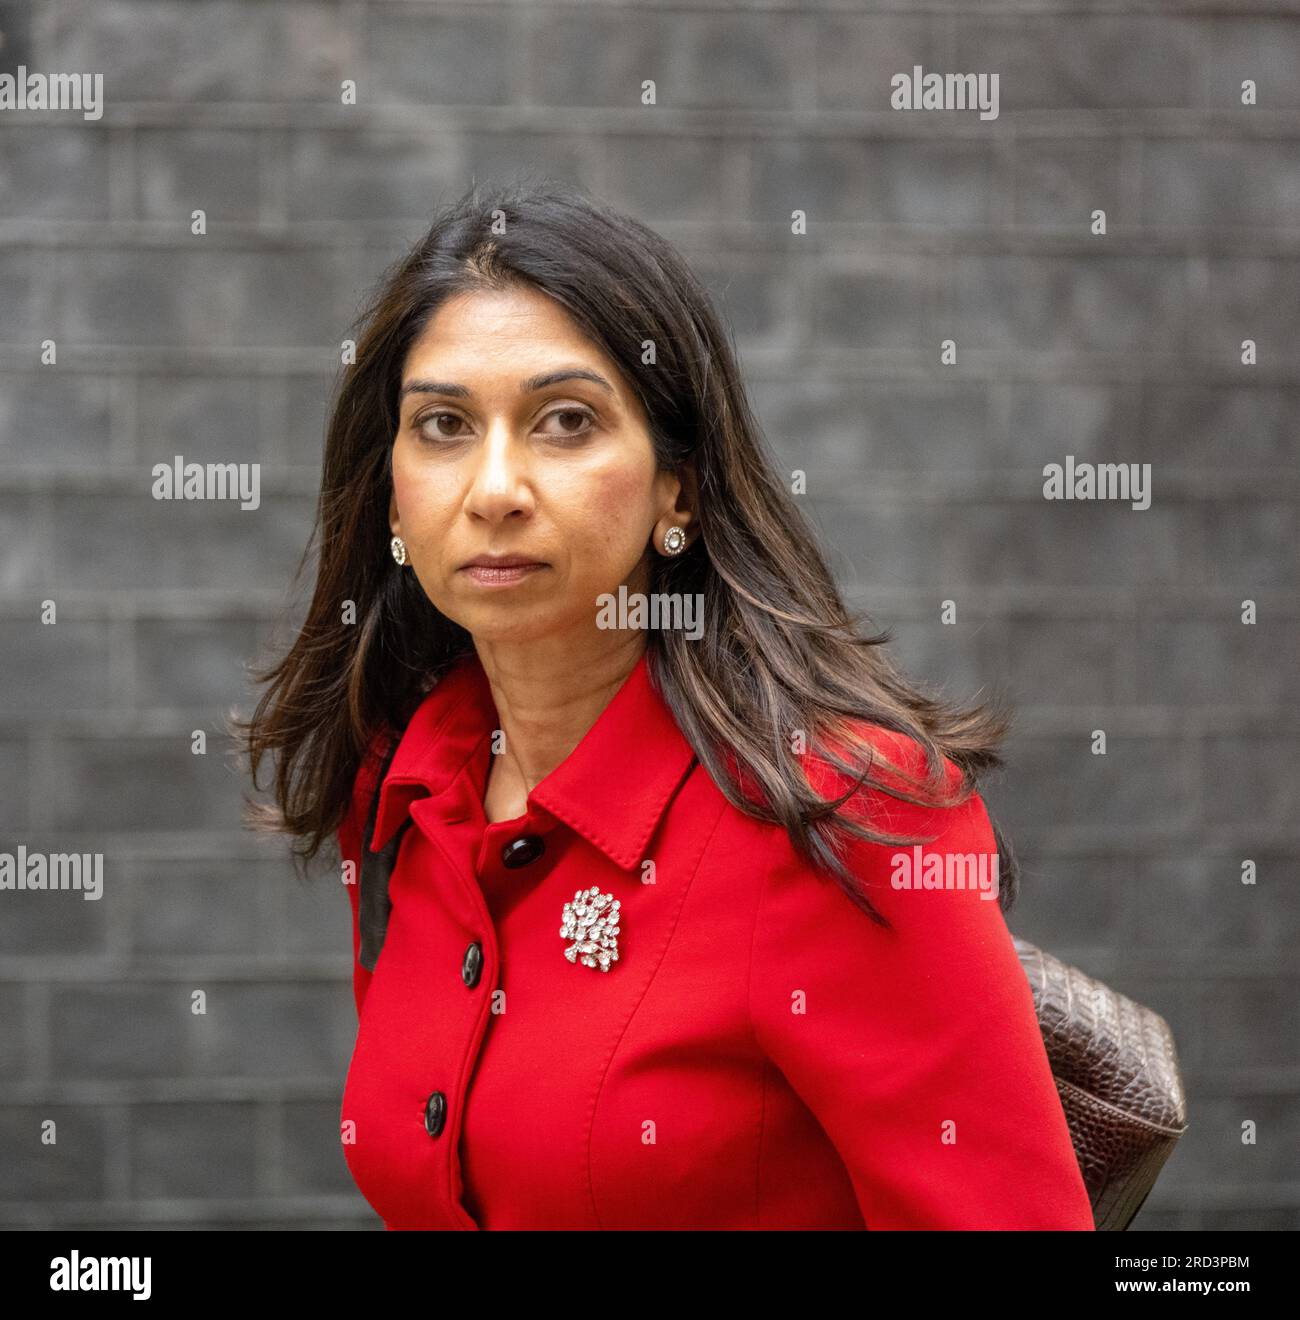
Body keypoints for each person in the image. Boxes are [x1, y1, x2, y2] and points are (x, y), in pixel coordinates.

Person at [239, 178, 1096, 1231]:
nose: (495, 486)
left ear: (675, 490)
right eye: (445, 425)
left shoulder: (838, 814)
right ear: (392, 491)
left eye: (564, 422)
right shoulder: (403, 790)